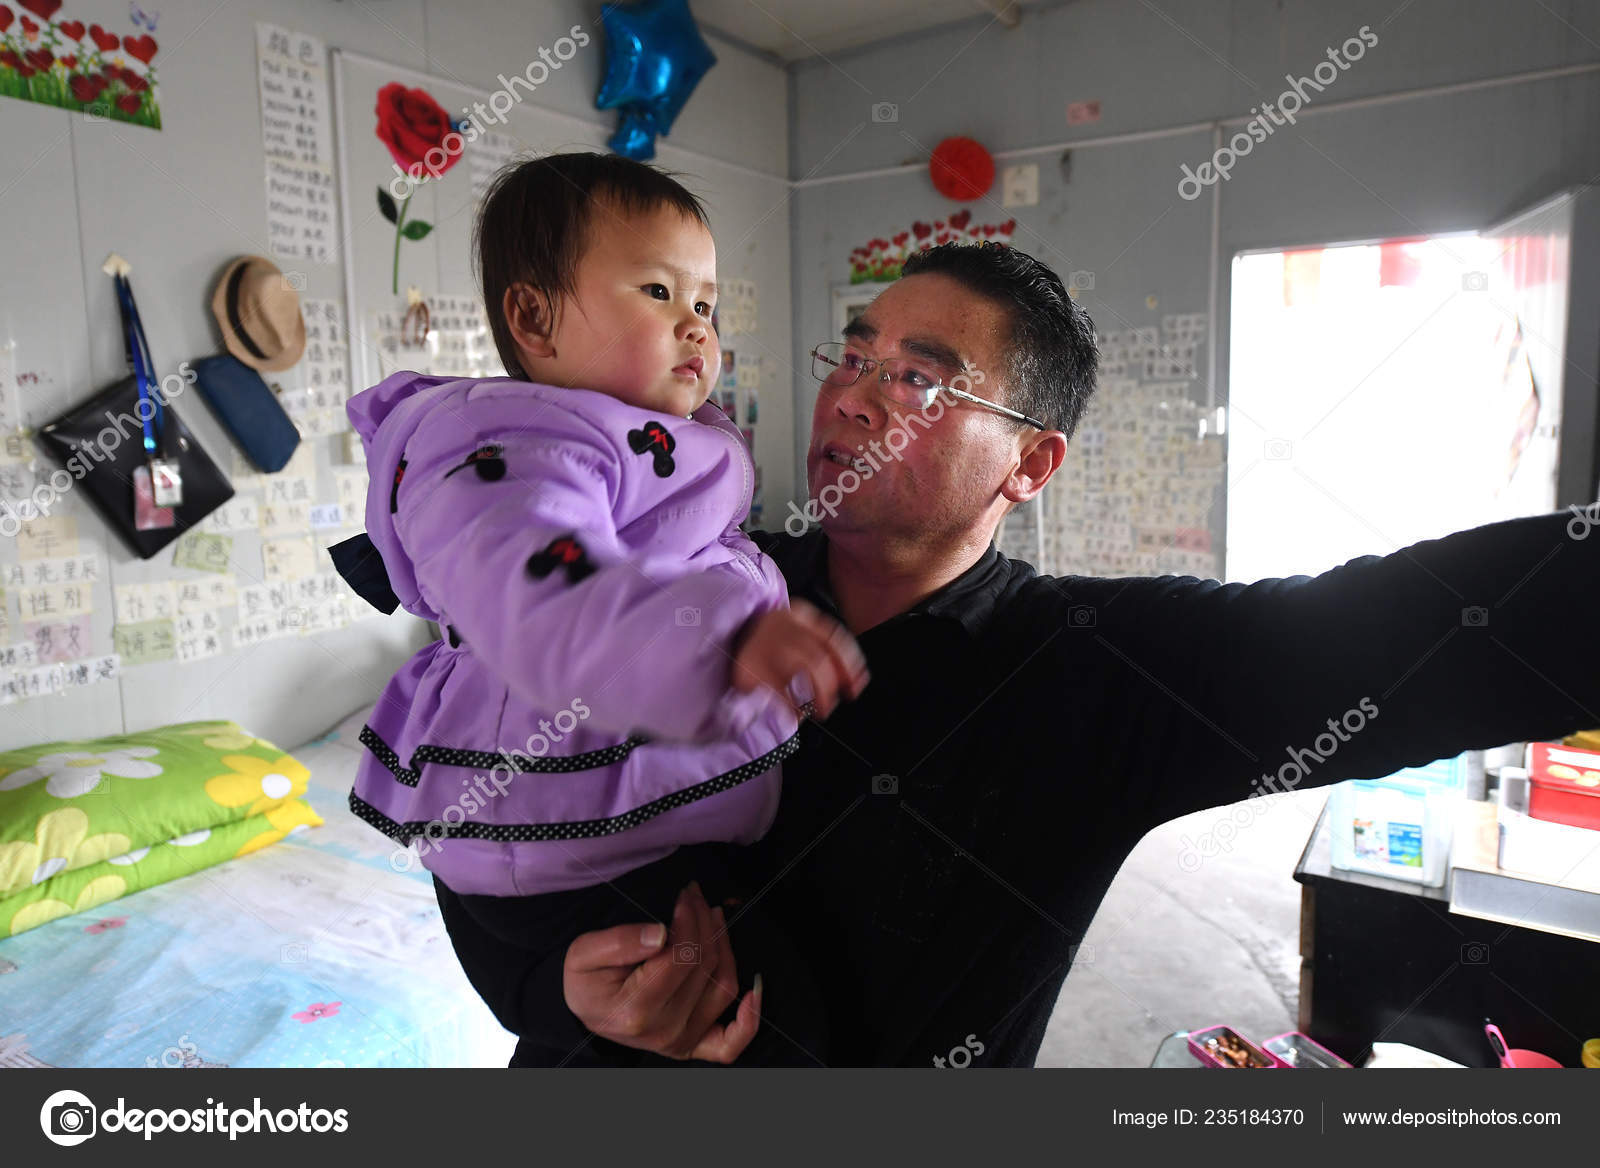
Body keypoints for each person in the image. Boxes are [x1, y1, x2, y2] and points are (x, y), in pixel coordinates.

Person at [543, 238, 1600, 1066]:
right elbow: (472, 785)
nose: (855, 394)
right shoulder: (681, 586)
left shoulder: (1096, 676)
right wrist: (552, 977)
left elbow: (1419, 633)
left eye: (919, 380)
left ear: (1031, 462)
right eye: (855, 356)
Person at [334, 152, 867, 1068]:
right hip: (560, 808)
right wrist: (724, 638)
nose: (696, 327)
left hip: (640, 814)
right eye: (659, 291)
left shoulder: (637, 436)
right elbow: (548, 585)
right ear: (534, 317)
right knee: (767, 1026)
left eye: (704, 303)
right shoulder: (505, 441)